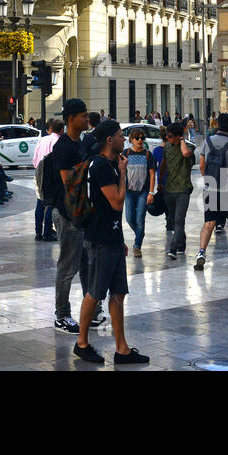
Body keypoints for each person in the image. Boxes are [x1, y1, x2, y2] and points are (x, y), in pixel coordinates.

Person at [72, 119, 150, 365]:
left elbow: (113, 211)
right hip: (99, 240)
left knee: (118, 293)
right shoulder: (101, 166)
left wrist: (121, 238)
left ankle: (122, 349)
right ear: (109, 140)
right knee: (94, 293)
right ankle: (81, 343)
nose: (124, 139)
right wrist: (124, 173)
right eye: (119, 135)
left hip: (112, 238)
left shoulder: (111, 163)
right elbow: (117, 202)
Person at [50, 98, 95, 335]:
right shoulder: (64, 147)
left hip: (81, 214)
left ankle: (92, 312)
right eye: (84, 116)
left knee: (87, 264)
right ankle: (62, 315)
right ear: (71, 119)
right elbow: (70, 185)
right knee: (67, 267)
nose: (87, 120)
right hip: (68, 215)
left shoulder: (80, 144)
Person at [194, 112, 228, 269]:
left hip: (211, 188)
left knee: (209, 222)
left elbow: (202, 165)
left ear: (216, 125)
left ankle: (201, 252)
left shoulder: (207, 142)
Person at [153, 120, 194, 259]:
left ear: (178, 136)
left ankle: (173, 249)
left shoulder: (188, 147)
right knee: (173, 219)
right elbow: (163, 165)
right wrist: (159, 182)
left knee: (179, 220)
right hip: (169, 189)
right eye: (167, 136)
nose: (167, 139)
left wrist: (182, 140)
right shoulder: (167, 148)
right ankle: (181, 243)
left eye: (170, 136)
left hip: (183, 189)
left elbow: (185, 154)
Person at [120, 127, 156, 257]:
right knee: (129, 218)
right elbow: (121, 172)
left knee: (140, 219)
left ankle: (137, 246)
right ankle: (140, 233)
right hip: (129, 191)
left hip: (143, 191)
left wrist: (151, 192)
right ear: (131, 140)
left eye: (142, 138)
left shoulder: (148, 154)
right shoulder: (126, 153)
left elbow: (152, 174)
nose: (140, 140)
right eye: (137, 138)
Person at [32, 119, 61, 242]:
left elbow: (34, 159)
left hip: (39, 172)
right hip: (51, 174)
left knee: (40, 203)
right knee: (50, 203)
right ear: (61, 130)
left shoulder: (42, 139)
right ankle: (47, 233)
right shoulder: (59, 140)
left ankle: (38, 232)